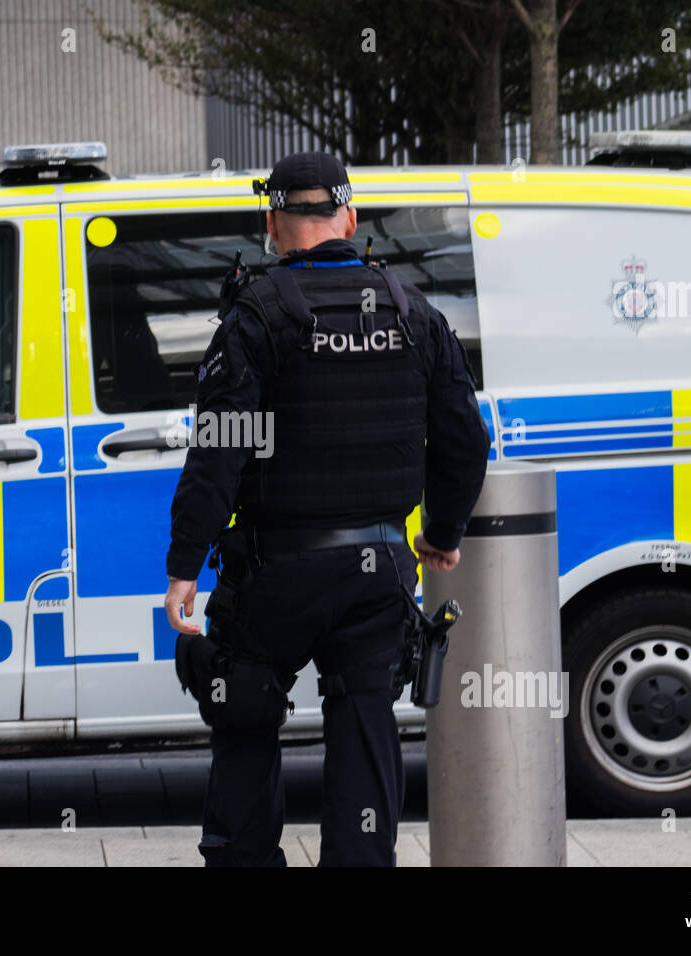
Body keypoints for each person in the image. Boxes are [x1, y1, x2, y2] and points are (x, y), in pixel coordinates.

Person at [163, 151, 490, 867]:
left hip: (274, 571)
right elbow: (467, 439)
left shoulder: (258, 316)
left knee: (245, 711)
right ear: (347, 217)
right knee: (366, 732)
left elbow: (220, 449)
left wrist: (185, 564)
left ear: (274, 223)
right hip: (376, 575)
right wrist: (442, 532)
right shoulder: (414, 313)